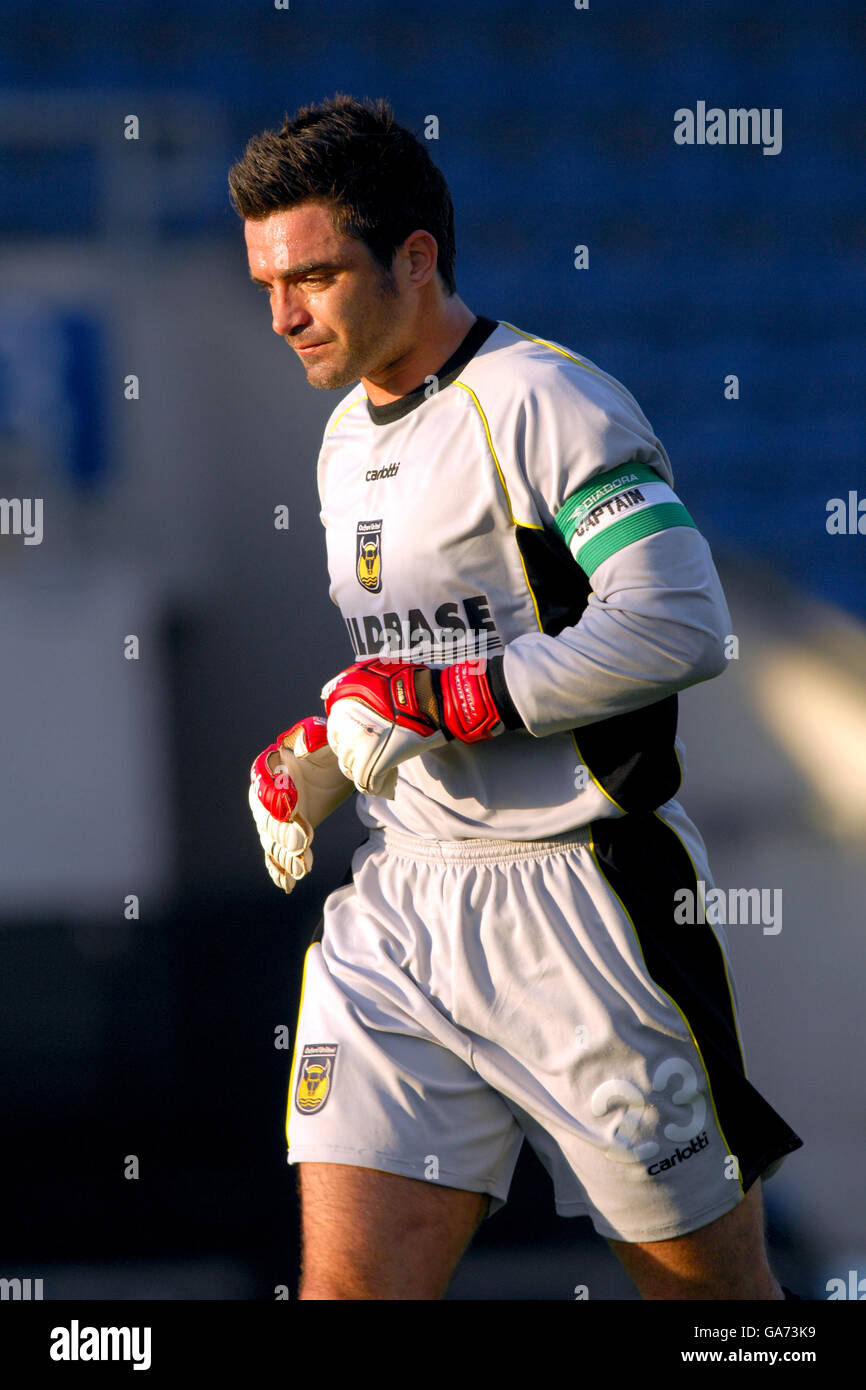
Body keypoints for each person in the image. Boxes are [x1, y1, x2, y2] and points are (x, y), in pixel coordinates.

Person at [229, 94, 802, 1301]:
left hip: (583, 910)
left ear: (416, 255)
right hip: (398, 914)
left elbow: (676, 622)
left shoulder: (547, 400)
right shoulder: (341, 441)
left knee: (715, 1310)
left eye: (314, 278)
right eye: (267, 283)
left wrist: (446, 704)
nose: (280, 316)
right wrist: (331, 743)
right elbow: (413, 661)